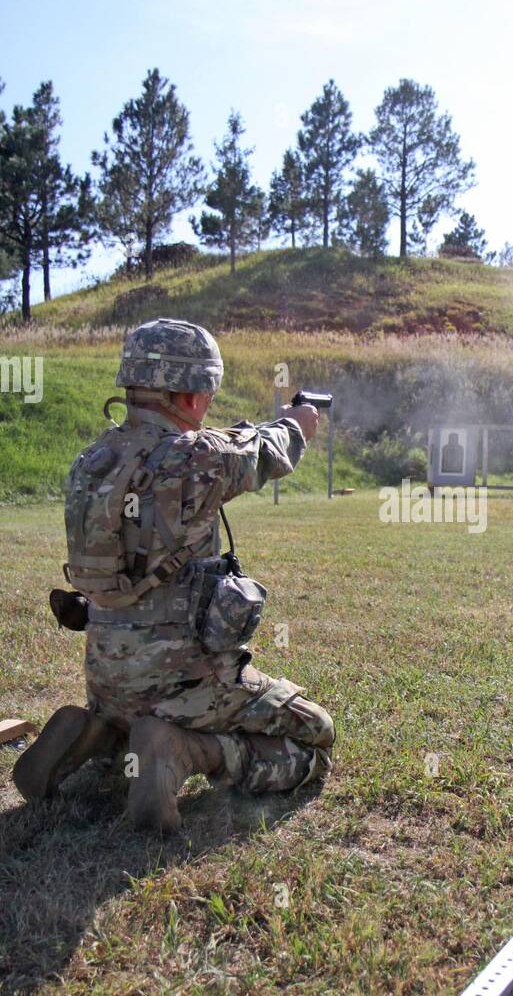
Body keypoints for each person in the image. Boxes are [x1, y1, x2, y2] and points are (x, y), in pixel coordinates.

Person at [13, 318, 335, 832]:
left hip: (108, 678)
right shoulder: (198, 460)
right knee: (316, 735)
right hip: (183, 683)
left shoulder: (93, 460)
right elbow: (267, 452)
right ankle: (186, 751)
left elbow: (218, 446)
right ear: (190, 394)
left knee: (130, 710)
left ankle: (100, 734)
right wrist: (298, 422)